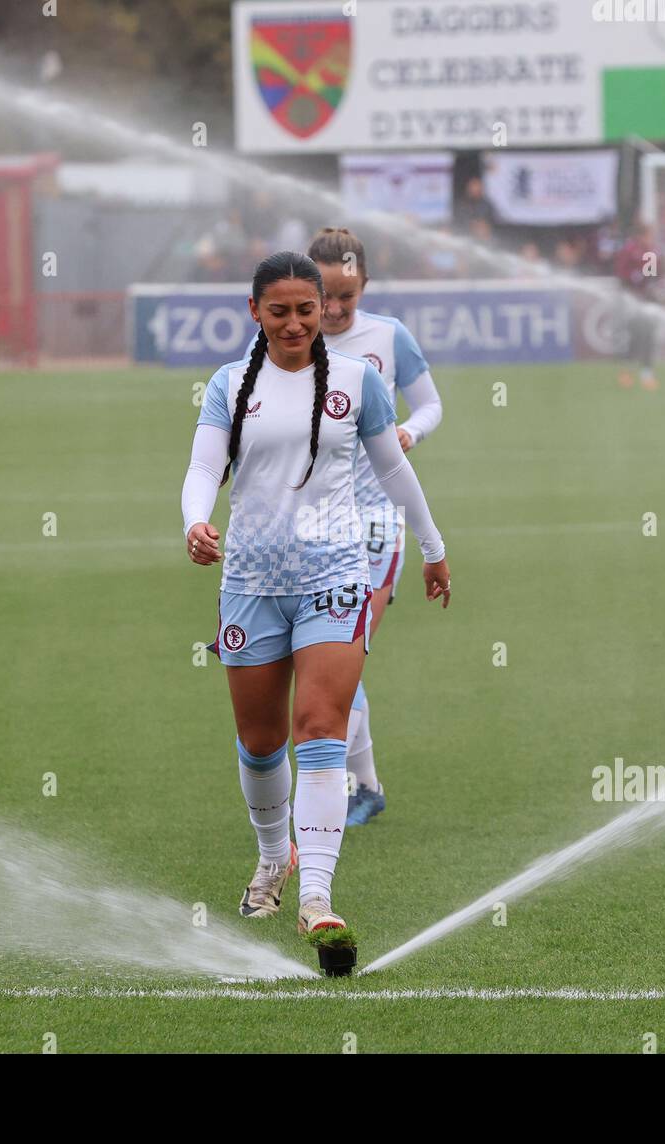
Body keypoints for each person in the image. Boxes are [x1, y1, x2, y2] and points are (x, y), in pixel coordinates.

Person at [180, 251, 450, 936]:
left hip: (334, 576)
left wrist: (433, 547)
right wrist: (194, 521)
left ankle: (318, 900)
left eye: (309, 308)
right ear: (255, 313)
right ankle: (275, 859)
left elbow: (393, 471)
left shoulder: (358, 382)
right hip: (249, 581)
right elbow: (205, 466)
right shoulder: (231, 384)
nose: (298, 322)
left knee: (321, 731)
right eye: (281, 311)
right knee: (261, 741)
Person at [306, 227, 444, 826]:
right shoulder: (291, 336)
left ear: (364, 286)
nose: (334, 310)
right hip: (310, 520)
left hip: (376, 518)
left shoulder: (389, 338)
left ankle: (330, 788)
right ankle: (366, 786)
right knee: (326, 657)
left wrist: (410, 432)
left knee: (344, 650)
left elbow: (432, 403)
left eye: (347, 296)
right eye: (324, 296)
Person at [613, 221, 662, 390]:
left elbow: (654, 276)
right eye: (649, 235)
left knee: (648, 336)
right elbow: (622, 274)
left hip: (647, 302)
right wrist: (635, 278)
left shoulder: (652, 252)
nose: (651, 238)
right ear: (641, 236)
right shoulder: (629, 250)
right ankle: (628, 371)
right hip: (631, 300)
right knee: (636, 336)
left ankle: (646, 373)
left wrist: (658, 287)